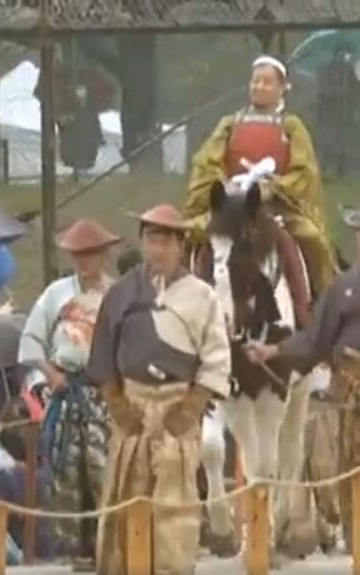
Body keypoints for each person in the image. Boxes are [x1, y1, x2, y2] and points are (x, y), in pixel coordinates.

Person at [247, 201, 360, 569]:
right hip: (351, 389)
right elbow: (317, 338)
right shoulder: (342, 286)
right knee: (357, 469)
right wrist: (273, 350)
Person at [87, 204, 231, 575]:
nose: (159, 248)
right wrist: (116, 402)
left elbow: (216, 356)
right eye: (152, 239)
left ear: (181, 245)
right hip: (131, 409)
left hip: (177, 410)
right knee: (125, 500)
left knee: (174, 507)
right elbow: (102, 352)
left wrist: (193, 406)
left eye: (167, 239)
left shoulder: (202, 296)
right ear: (142, 242)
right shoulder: (119, 294)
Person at [184, 55, 337, 297]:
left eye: (266, 82)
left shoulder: (291, 126)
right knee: (185, 234)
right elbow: (207, 163)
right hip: (230, 205)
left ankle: (324, 302)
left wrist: (272, 188)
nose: (258, 87)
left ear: (282, 88)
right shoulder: (230, 124)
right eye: (255, 81)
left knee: (314, 239)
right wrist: (225, 186)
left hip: (276, 207)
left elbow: (303, 171)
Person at [18, 218, 119, 571]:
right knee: (66, 474)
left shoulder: (116, 294)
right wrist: (51, 374)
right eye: (78, 254)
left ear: (104, 255)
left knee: (104, 471)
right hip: (67, 388)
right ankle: (73, 553)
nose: (84, 261)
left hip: (106, 394)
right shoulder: (56, 294)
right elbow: (31, 340)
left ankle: (107, 546)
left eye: (90, 253)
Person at [317, 46, 358, 178]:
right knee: (328, 141)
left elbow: (355, 88)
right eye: (342, 54)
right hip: (329, 112)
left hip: (344, 112)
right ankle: (324, 170)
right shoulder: (327, 70)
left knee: (343, 141)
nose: (345, 57)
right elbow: (322, 91)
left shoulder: (349, 70)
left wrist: (349, 97)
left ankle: (341, 170)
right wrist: (337, 92)